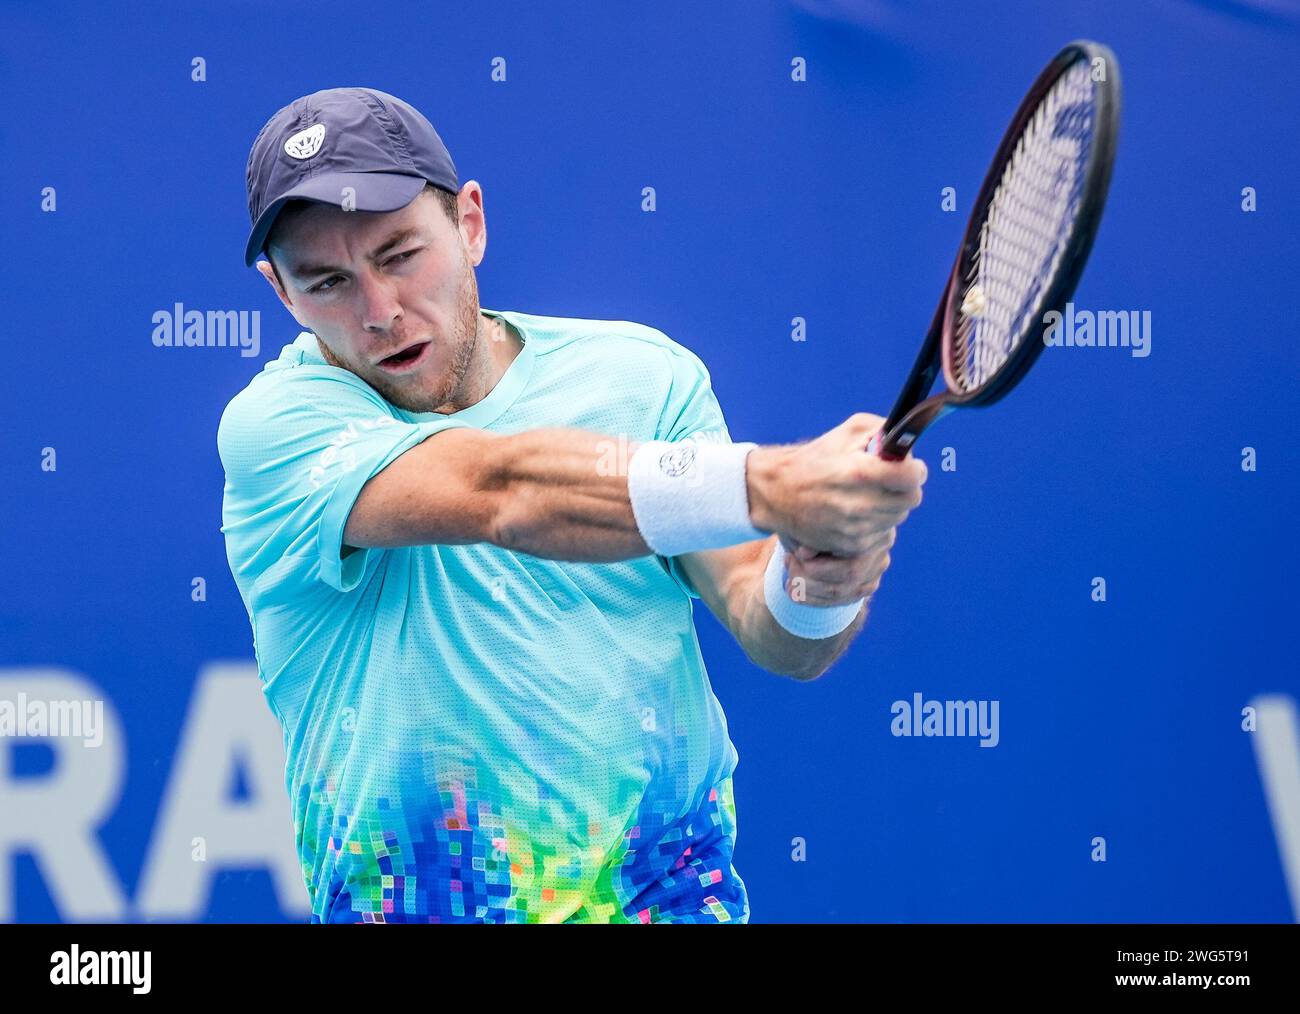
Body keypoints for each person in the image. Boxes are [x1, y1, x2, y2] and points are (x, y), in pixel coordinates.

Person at [218, 86, 927, 923]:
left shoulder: (644, 378)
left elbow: (771, 629)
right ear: (281, 294)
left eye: (401, 253)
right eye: (328, 281)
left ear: (470, 223)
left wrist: (820, 579)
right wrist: (771, 486)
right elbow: (501, 491)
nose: (380, 312)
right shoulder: (278, 431)